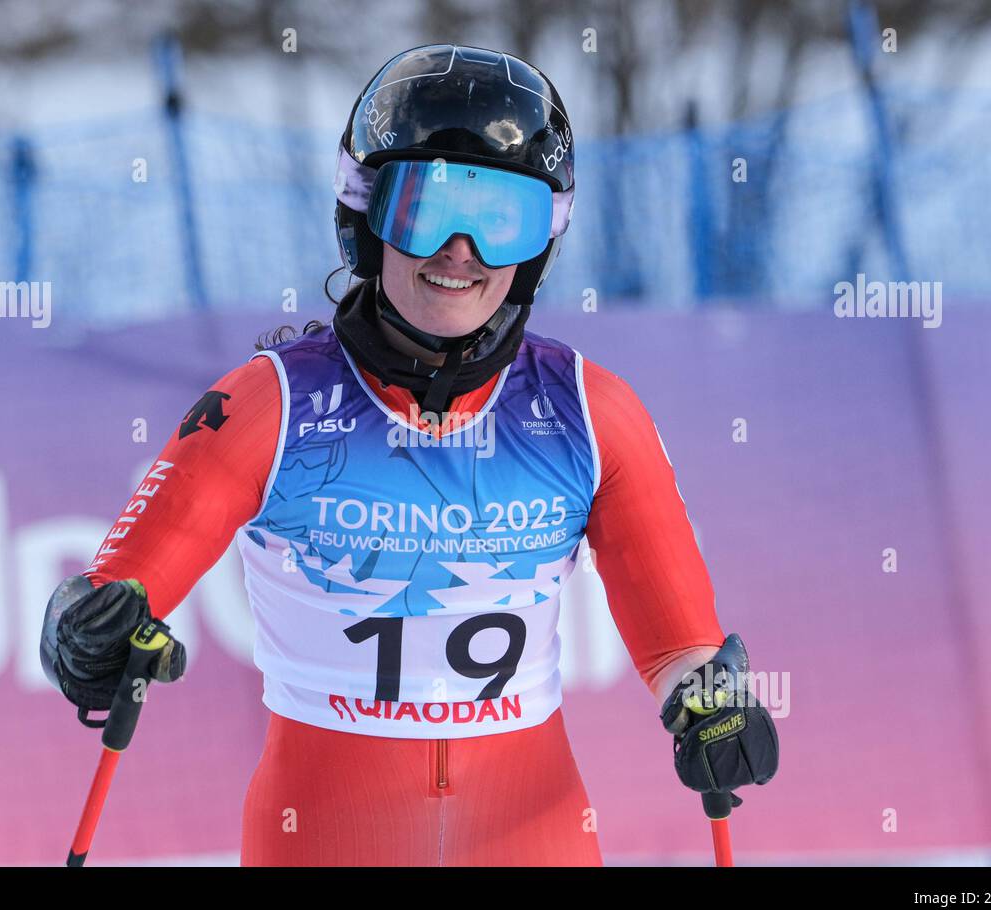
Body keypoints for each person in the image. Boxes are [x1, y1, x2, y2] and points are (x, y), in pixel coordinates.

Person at [40, 43, 778, 866]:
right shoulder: (270, 406)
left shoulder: (590, 411)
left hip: (533, 838)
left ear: (541, 243)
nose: (461, 249)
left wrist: (714, 705)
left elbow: (686, 648)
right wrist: (88, 639)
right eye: (425, 208)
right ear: (365, 217)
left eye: (502, 220)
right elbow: (108, 596)